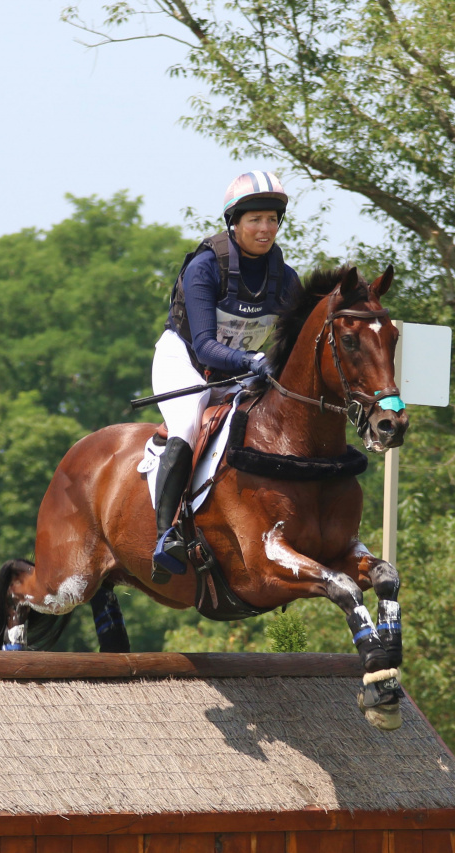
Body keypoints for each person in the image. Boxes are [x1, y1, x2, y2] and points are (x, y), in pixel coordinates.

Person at [150, 170, 302, 581]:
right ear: (234, 223)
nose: (265, 228)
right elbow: (204, 347)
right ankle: (165, 536)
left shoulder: (286, 279)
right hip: (186, 361)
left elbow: (292, 347)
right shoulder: (205, 268)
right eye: (255, 219)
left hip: (241, 369)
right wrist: (254, 362)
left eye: (272, 219)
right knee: (186, 423)